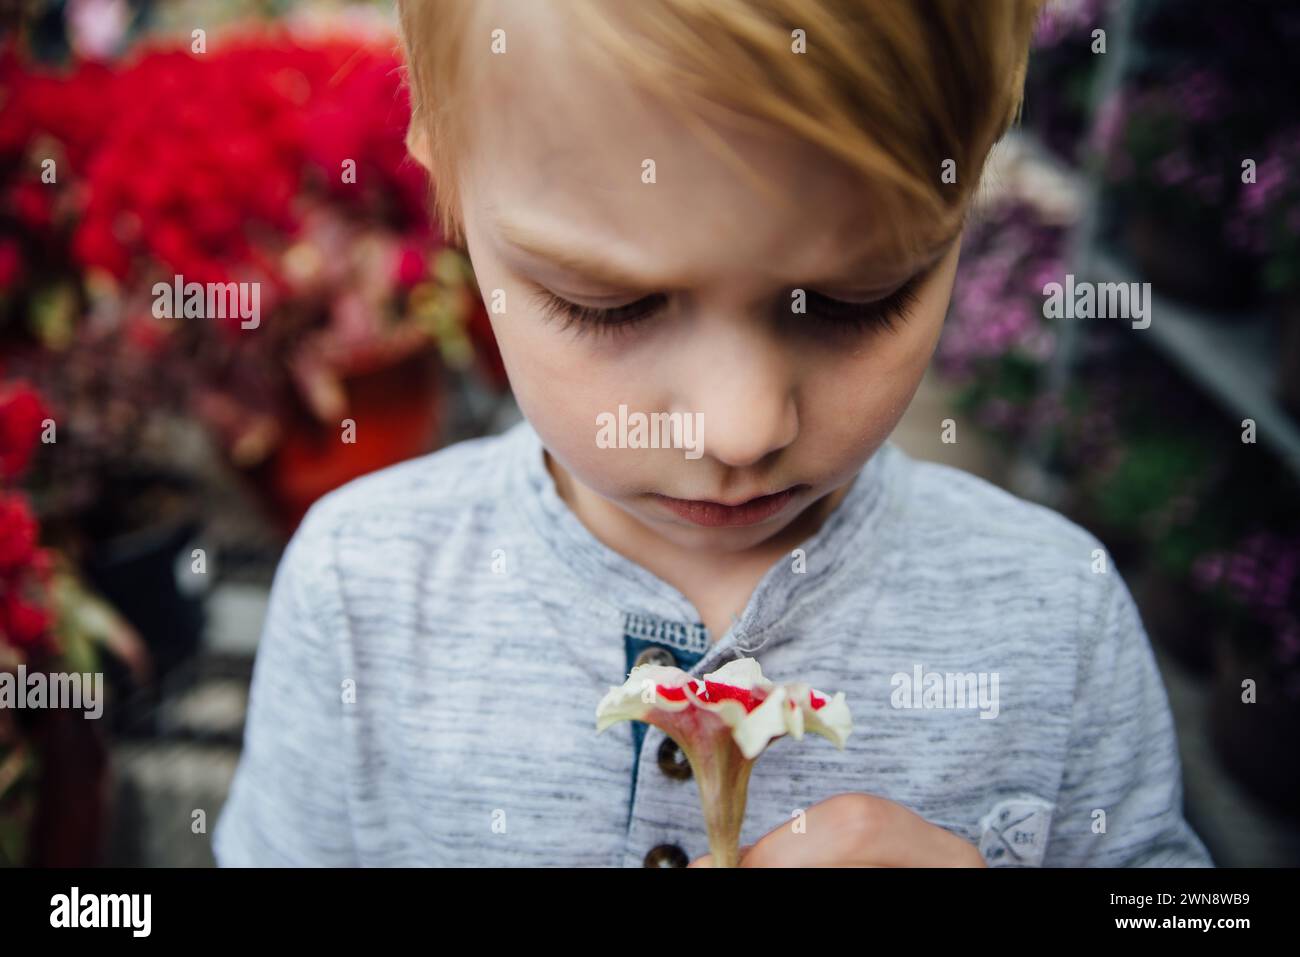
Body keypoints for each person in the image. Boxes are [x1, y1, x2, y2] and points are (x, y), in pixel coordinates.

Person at [214, 0, 1212, 867]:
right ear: (446, 169)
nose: (740, 430)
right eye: (607, 306)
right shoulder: (364, 593)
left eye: (854, 300)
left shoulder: (1052, 622)